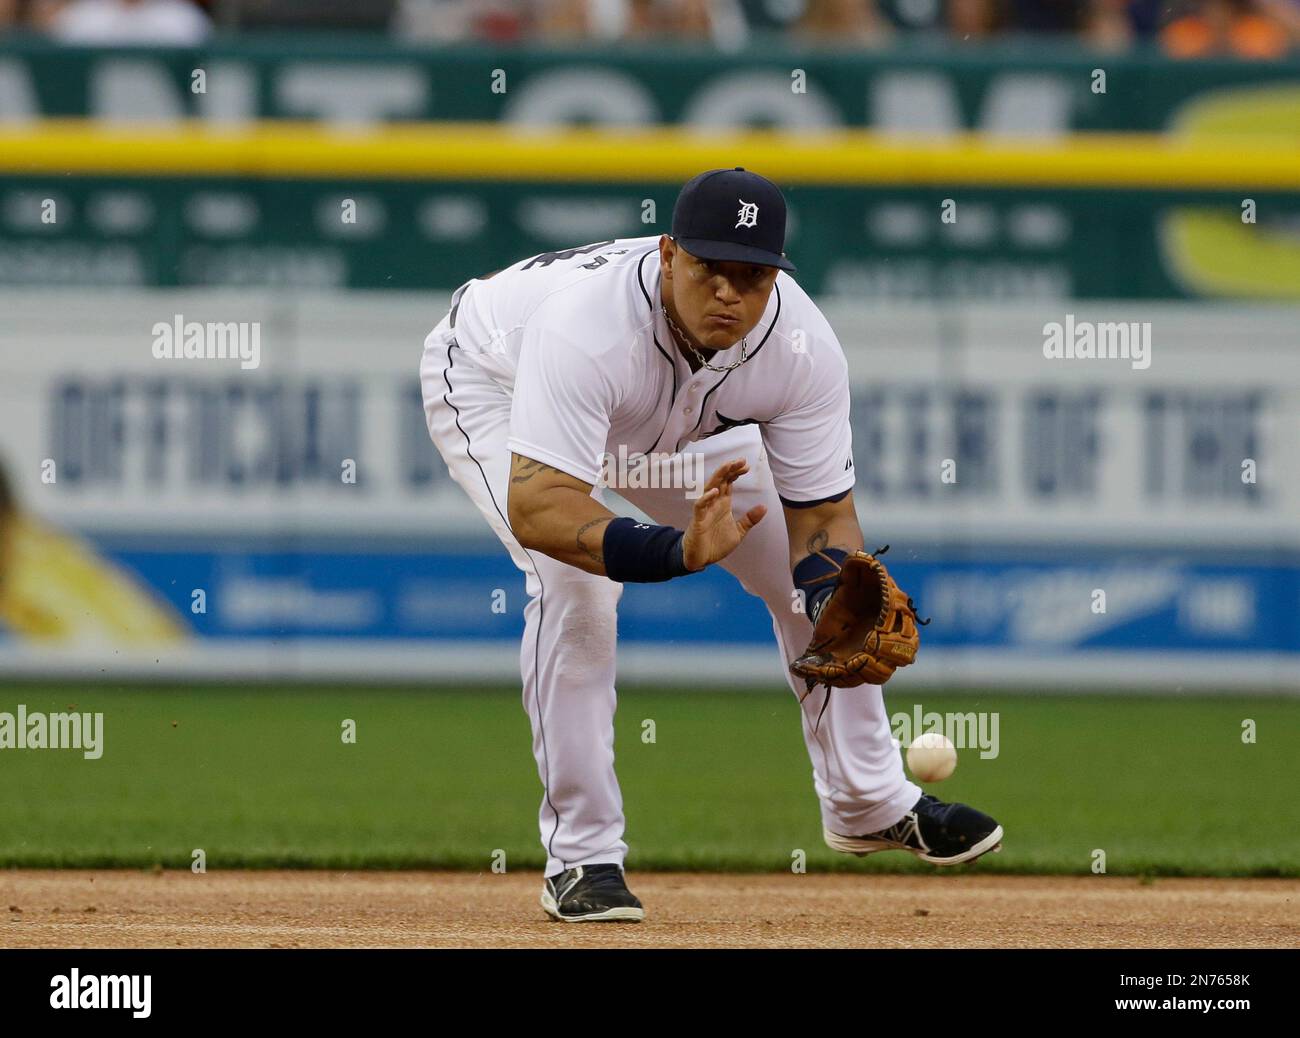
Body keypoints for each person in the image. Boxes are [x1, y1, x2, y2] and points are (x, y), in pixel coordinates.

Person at [419, 168, 1002, 922]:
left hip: (655, 429)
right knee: (577, 584)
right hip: (492, 381)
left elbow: (822, 516)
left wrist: (831, 590)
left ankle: (868, 803)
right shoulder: (587, 330)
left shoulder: (800, 346)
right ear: (668, 256)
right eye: (710, 268)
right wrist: (674, 552)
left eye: (752, 275)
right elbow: (541, 510)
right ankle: (582, 857)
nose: (730, 291)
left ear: (776, 279)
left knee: (826, 586)